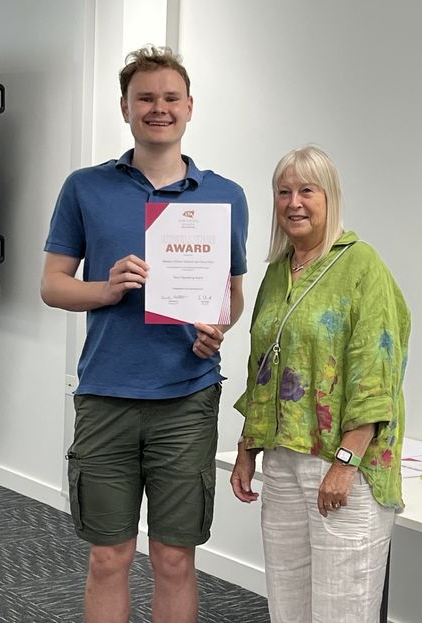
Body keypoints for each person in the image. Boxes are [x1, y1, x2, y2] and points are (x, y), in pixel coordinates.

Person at [41, 46, 248, 623]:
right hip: (106, 393)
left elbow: (231, 294)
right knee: (108, 557)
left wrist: (217, 330)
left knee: (174, 559)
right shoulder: (85, 188)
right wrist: (105, 290)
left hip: (186, 398)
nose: (159, 108)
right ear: (125, 108)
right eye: (146, 98)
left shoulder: (226, 195)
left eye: (170, 98)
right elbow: (53, 286)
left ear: (190, 107)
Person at [230, 145, 410, 622]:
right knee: (287, 604)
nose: (294, 203)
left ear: (329, 197)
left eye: (306, 191)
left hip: (341, 461)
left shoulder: (361, 266)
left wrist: (345, 463)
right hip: (283, 459)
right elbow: (262, 367)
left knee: (341, 609)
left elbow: (376, 372)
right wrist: (248, 448)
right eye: (283, 192)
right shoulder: (277, 272)